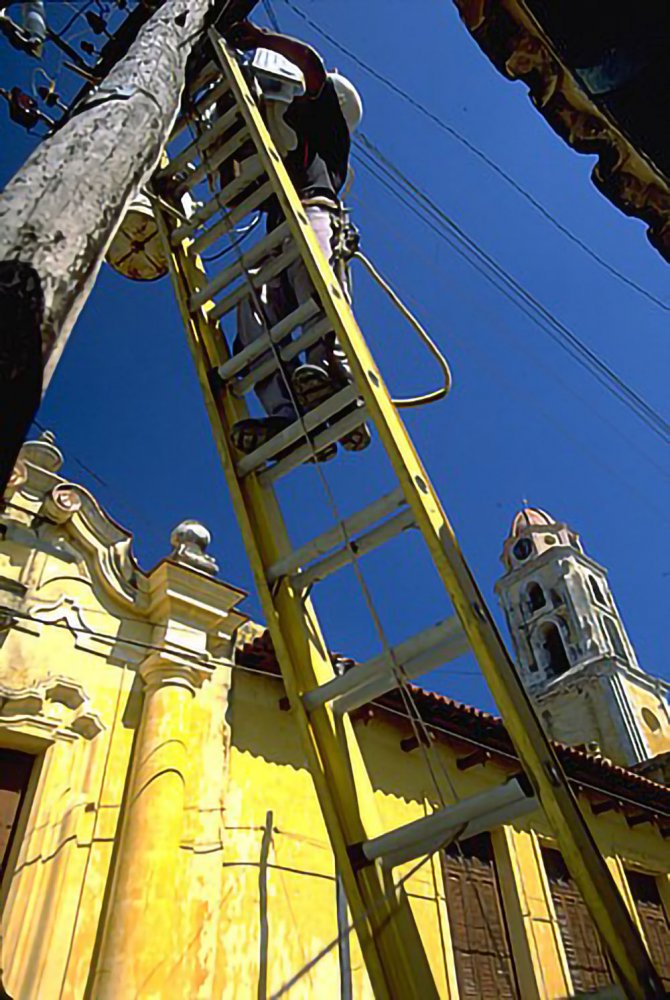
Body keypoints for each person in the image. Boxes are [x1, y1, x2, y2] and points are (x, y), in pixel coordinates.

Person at [223, 19, 371, 458]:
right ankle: (288, 415)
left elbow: (311, 63)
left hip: (313, 211)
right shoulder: (274, 140)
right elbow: (235, 191)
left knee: (315, 283)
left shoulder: (327, 130)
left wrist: (261, 40)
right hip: (277, 232)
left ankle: (338, 383)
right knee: (254, 309)